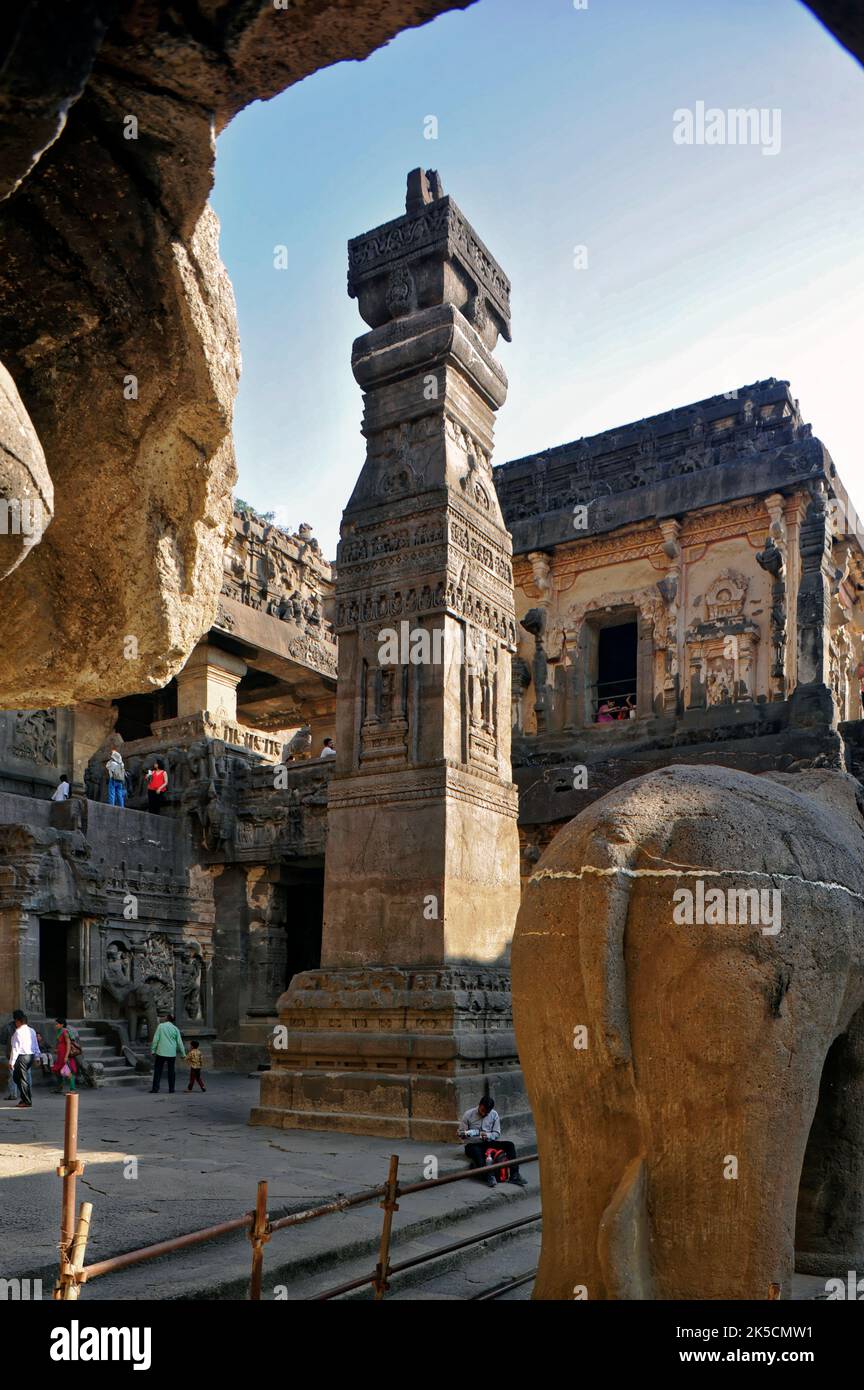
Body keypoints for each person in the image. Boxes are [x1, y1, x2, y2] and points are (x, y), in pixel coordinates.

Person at [458, 1093, 527, 1189]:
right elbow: (461, 1134)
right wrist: (463, 1134)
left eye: (486, 1112)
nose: (483, 1113)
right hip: (472, 1144)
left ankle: (514, 1175)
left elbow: (497, 1133)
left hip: (488, 1142)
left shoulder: (494, 1115)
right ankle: (489, 1176)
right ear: (479, 1105)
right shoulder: (468, 1114)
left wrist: (488, 1135)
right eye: (482, 1110)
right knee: (478, 1153)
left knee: (510, 1145)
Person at [9, 1011, 40, 1108]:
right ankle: (25, 1097)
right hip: (30, 1056)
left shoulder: (18, 1032)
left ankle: (27, 1101)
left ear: (18, 1021)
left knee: (22, 1079)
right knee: (17, 1077)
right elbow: (35, 1044)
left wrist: (11, 1061)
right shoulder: (32, 1030)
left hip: (22, 1057)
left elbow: (15, 1048)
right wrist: (37, 1056)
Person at [150, 1014, 186, 1094]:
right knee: (171, 1071)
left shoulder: (161, 1026)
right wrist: (183, 1054)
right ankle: (171, 1089)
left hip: (161, 1052)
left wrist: (153, 1050)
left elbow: (156, 1039)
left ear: (166, 1018)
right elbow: (180, 1042)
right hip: (171, 1053)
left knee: (158, 1071)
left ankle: (155, 1089)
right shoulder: (175, 1029)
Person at [51, 1017, 79, 1095]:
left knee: (68, 1072)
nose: (55, 1025)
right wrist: (57, 1050)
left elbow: (68, 1044)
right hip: (60, 1055)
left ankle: (72, 1089)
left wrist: (66, 1056)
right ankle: (59, 1087)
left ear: (62, 1024)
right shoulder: (59, 1031)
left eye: (57, 1024)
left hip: (65, 1055)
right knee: (57, 1071)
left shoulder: (65, 1032)